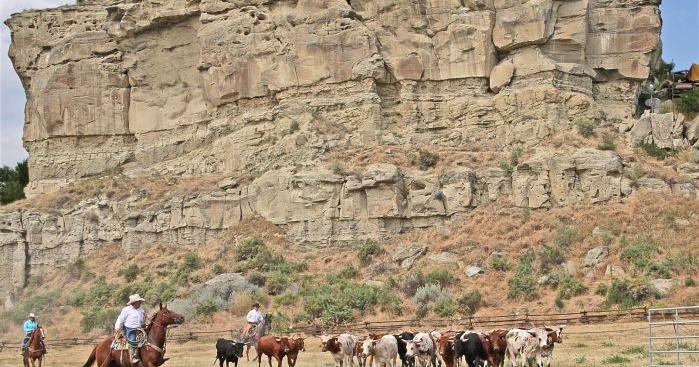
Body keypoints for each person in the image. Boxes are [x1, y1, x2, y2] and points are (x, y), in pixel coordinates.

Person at [115, 294, 147, 364]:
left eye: (140, 301)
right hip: (129, 329)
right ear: (134, 303)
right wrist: (117, 328)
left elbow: (142, 321)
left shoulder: (141, 310)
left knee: (148, 338)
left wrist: (144, 320)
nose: (140, 303)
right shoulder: (126, 310)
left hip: (139, 329)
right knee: (132, 340)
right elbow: (120, 319)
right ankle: (133, 357)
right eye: (139, 301)